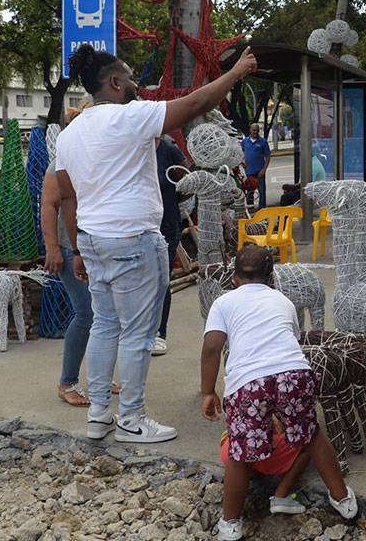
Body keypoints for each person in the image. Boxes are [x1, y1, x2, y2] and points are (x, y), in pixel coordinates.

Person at [56, 44, 258, 444]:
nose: (135, 85)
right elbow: (195, 103)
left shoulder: (70, 132)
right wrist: (235, 74)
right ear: (114, 82)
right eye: (129, 78)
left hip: (95, 241)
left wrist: (79, 247)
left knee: (105, 327)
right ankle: (131, 419)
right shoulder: (128, 116)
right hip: (133, 238)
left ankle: (99, 417)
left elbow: (67, 195)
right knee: (136, 335)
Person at [201, 245, 358, 540]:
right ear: (271, 277)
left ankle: (231, 524)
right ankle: (343, 499)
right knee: (311, 435)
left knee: (240, 452)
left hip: (248, 383)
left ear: (234, 277)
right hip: (293, 374)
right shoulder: (283, 300)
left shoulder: (223, 303)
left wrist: (207, 391)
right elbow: (291, 339)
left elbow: (212, 347)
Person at [41, 100, 95, 408]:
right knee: (85, 313)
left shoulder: (93, 153)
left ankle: (99, 376)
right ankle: (67, 382)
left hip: (91, 246)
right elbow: (49, 205)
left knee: (103, 315)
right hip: (68, 247)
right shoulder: (63, 157)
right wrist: (53, 249)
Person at [219, 416, 310, 515]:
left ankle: (230, 521)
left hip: (229, 449)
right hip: (256, 448)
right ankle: (281, 496)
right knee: (309, 442)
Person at [154, 135, 189, 356]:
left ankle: (160, 333)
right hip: (136, 225)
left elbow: (187, 184)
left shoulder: (168, 151)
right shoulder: (130, 147)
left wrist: (168, 203)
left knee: (161, 281)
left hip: (166, 225)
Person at [241, 123, 270, 211]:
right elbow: (240, 153)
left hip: (259, 172)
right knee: (250, 193)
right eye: (254, 130)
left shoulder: (263, 142)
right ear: (250, 130)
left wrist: (264, 170)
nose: (255, 132)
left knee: (262, 192)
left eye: (257, 130)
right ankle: (250, 209)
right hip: (249, 172)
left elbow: (268, 157)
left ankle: (262, 210)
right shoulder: (245, 141)